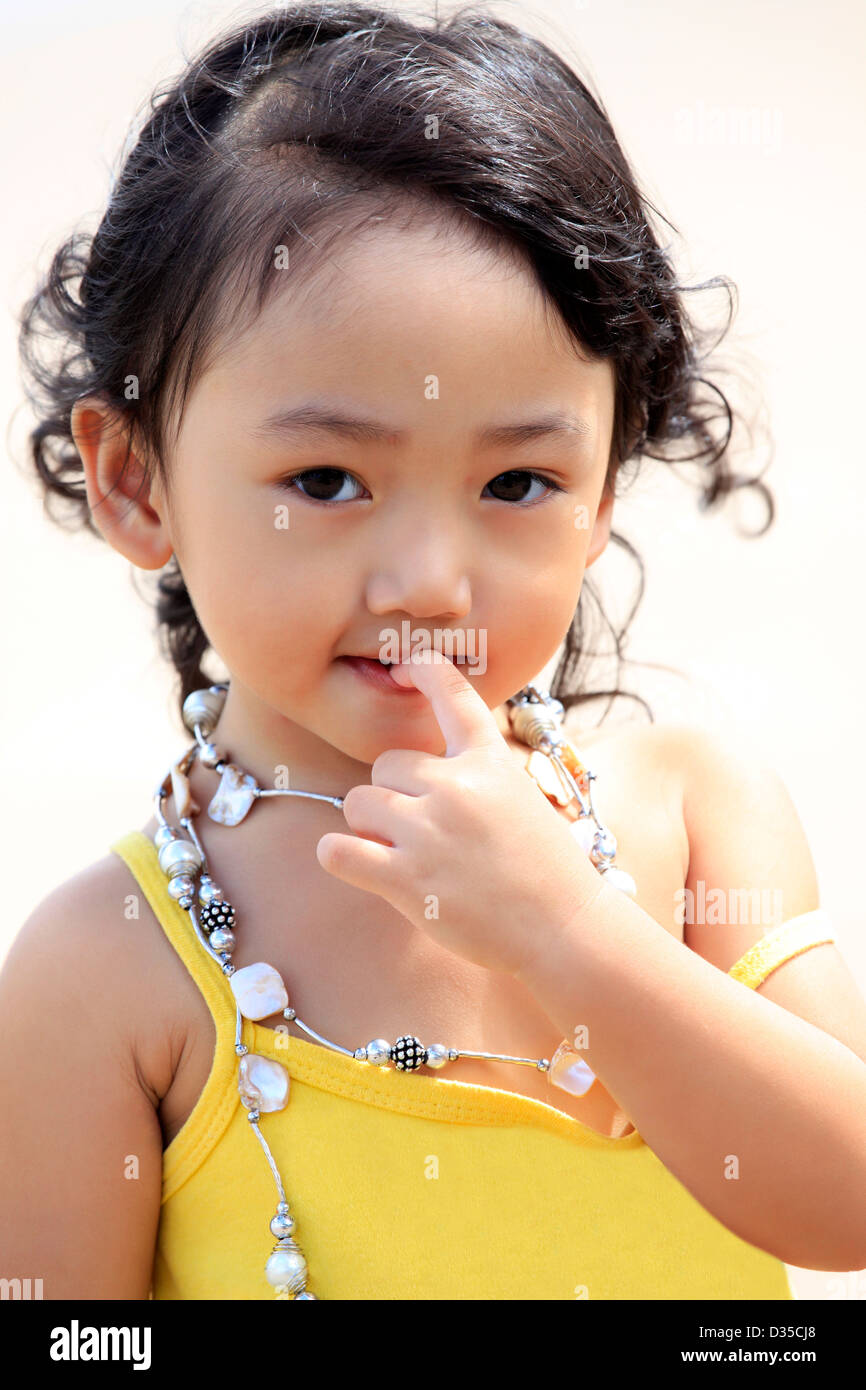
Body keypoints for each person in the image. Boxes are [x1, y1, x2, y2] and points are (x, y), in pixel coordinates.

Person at [4, 2, 866, 1301]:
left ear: (602, 498)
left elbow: (842, 1203)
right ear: (135, 481)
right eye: (328, 476)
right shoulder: (105, 966)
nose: (428, 578)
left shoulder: (690, 819)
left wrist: (569, 931)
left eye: (517, 482)